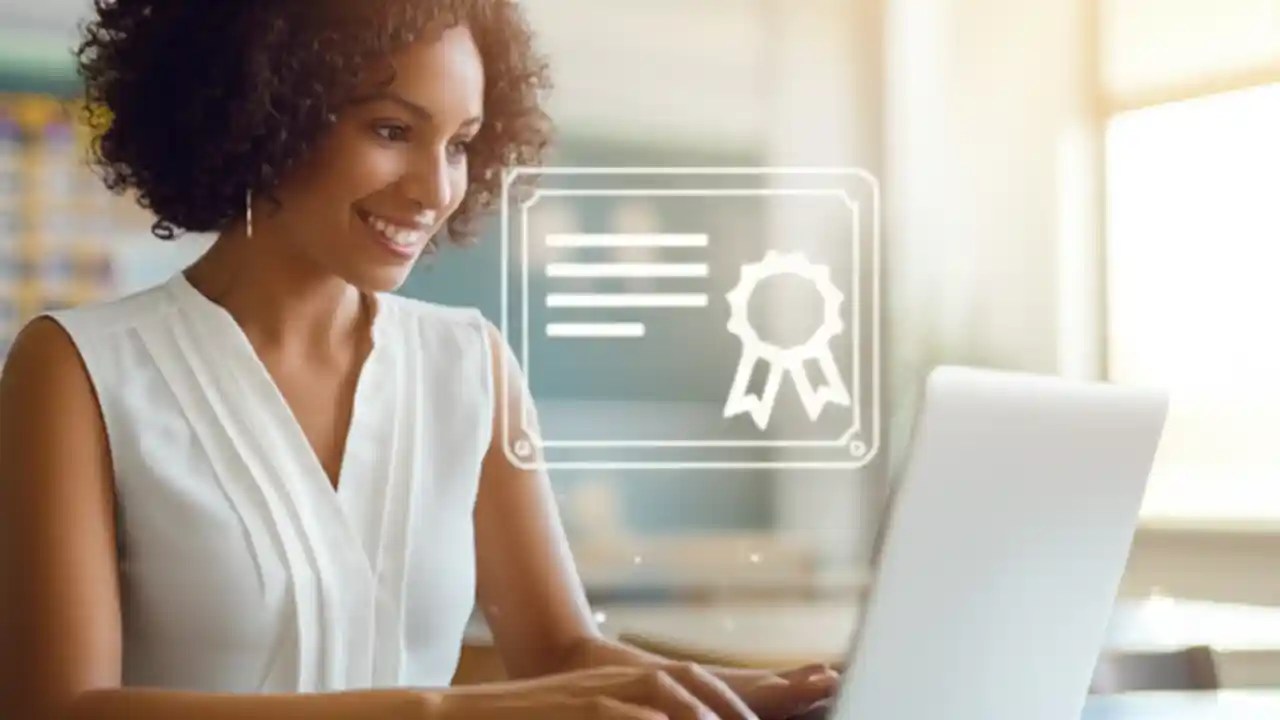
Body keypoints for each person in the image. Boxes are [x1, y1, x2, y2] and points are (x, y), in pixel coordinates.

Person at [0, 2, 841, 719]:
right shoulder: (78, 370)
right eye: (392, 130)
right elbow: (60, 709)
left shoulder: (469, 364)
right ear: (263, 114)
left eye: (460, 143)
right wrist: (438, 711)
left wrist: (743, 694)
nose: (436, 190)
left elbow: (557, 649)